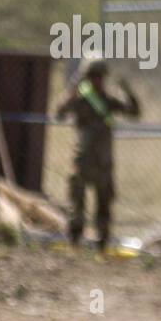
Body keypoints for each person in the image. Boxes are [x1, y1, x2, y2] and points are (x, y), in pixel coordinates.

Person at [55, 54, 140, 251]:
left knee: (104, 206)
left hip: (103, 162)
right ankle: (74, 242)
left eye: (100, 76)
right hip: (82, 160)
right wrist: (72, 91)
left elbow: (134, 112)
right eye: (93, 76)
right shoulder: (80, 100)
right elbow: (59, 113)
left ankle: (102, 245)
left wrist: (127, 91)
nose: (97, 81)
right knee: (76, 207)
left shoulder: (109, 101)